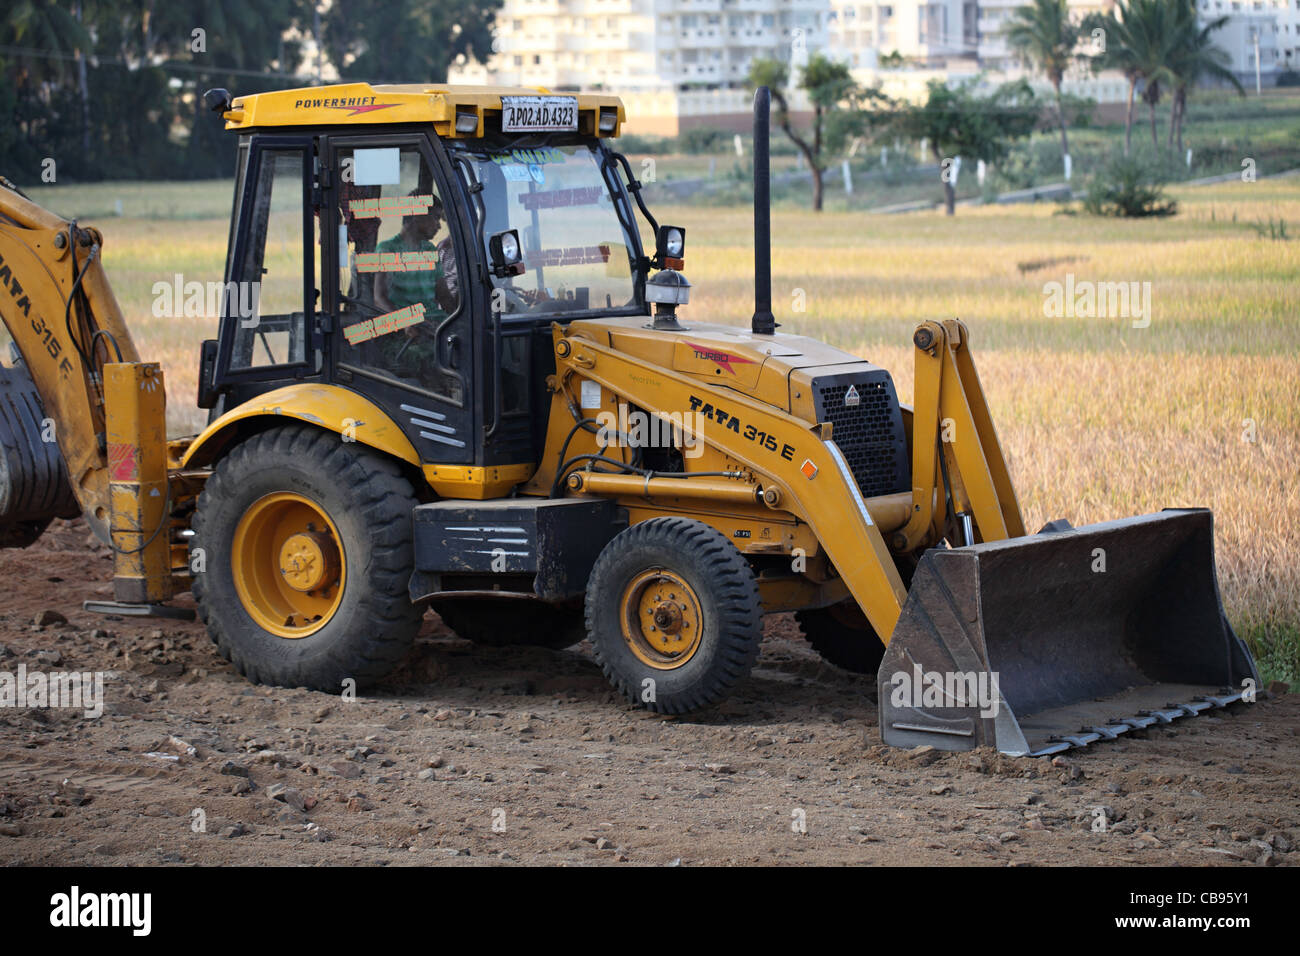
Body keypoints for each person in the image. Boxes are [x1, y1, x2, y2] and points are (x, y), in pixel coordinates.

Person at [372, 191, 458, 385]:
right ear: (418, 214)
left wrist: (464, 318)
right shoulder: (388, 249)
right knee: (441, 356)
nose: (439, 225)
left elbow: (444, 297)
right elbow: (379, 297)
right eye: (435, 217)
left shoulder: (429, 251)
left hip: (435, 325)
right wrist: (404, 323)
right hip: (406, 335)